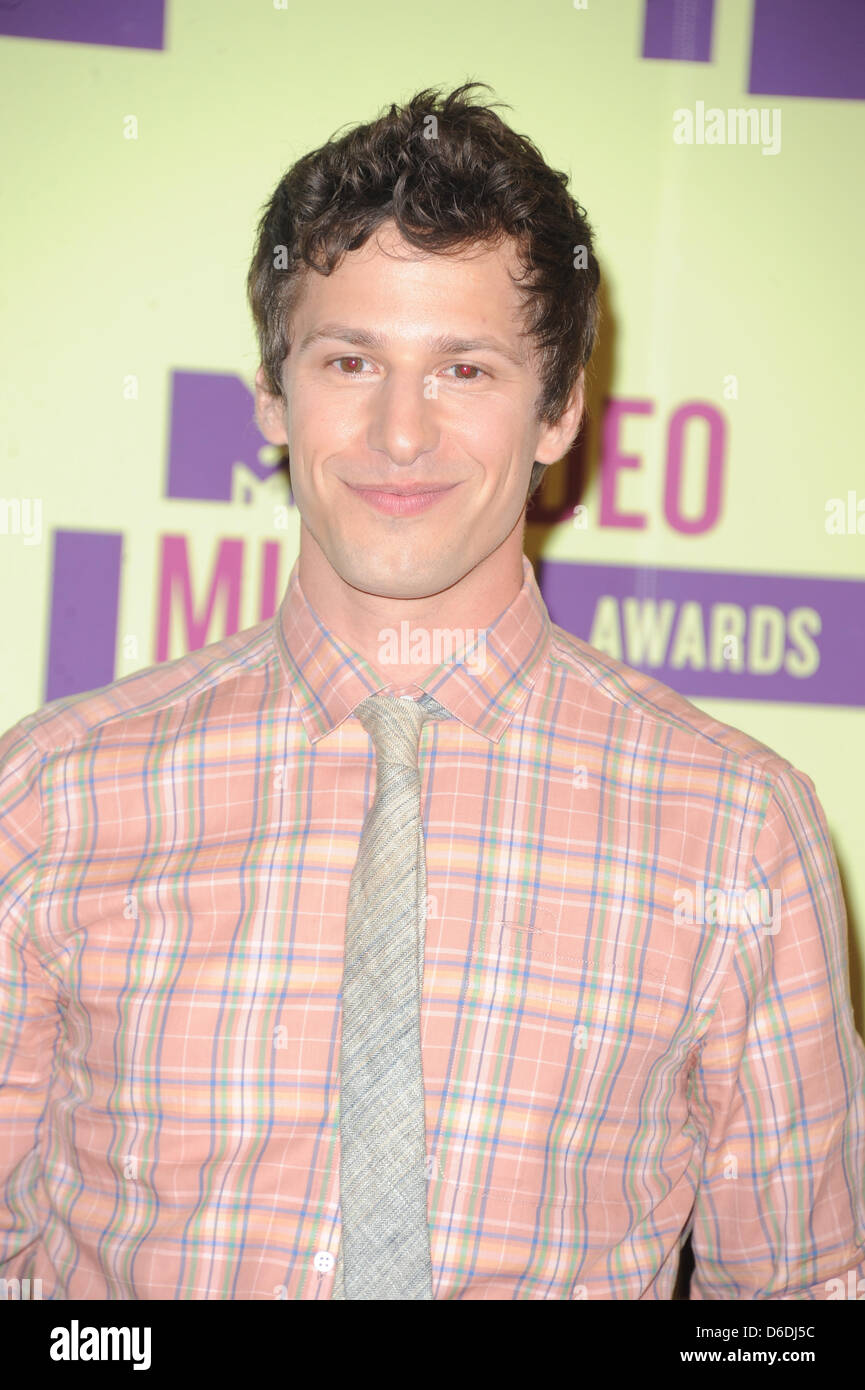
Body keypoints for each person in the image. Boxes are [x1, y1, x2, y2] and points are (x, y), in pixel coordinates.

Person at [1, 82, 863, 1301]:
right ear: (271, 392)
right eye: (350, 359)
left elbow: (797, 1307)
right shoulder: (48, 795)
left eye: (464, 368)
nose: (400, 433)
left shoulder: (738, 825)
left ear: (560, 408)